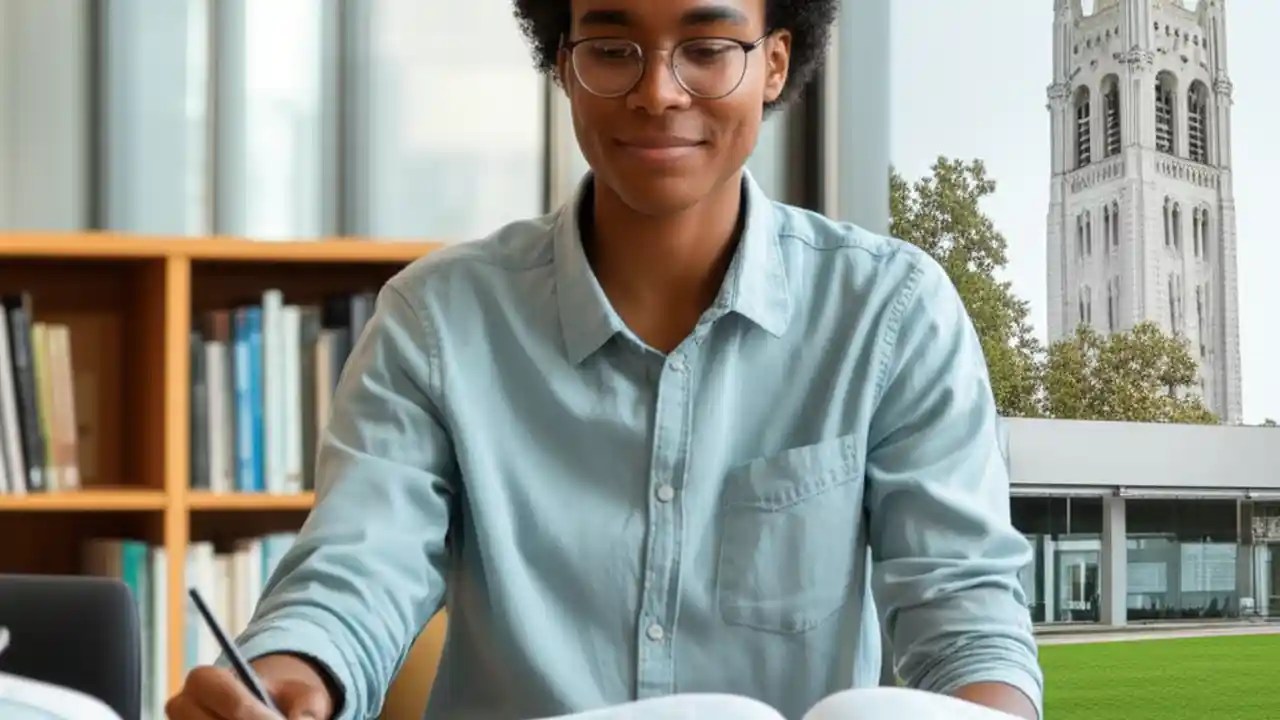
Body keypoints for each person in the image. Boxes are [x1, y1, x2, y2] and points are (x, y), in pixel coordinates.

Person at [166, 1, 1044, 718]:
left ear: (775, 62)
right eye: (613, 46)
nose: (658, 92)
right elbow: (358, 568)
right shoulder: (435, 321)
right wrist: (293, 674)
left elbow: (965, 614)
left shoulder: (891, 315)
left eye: (707, 48)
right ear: (562, 60)